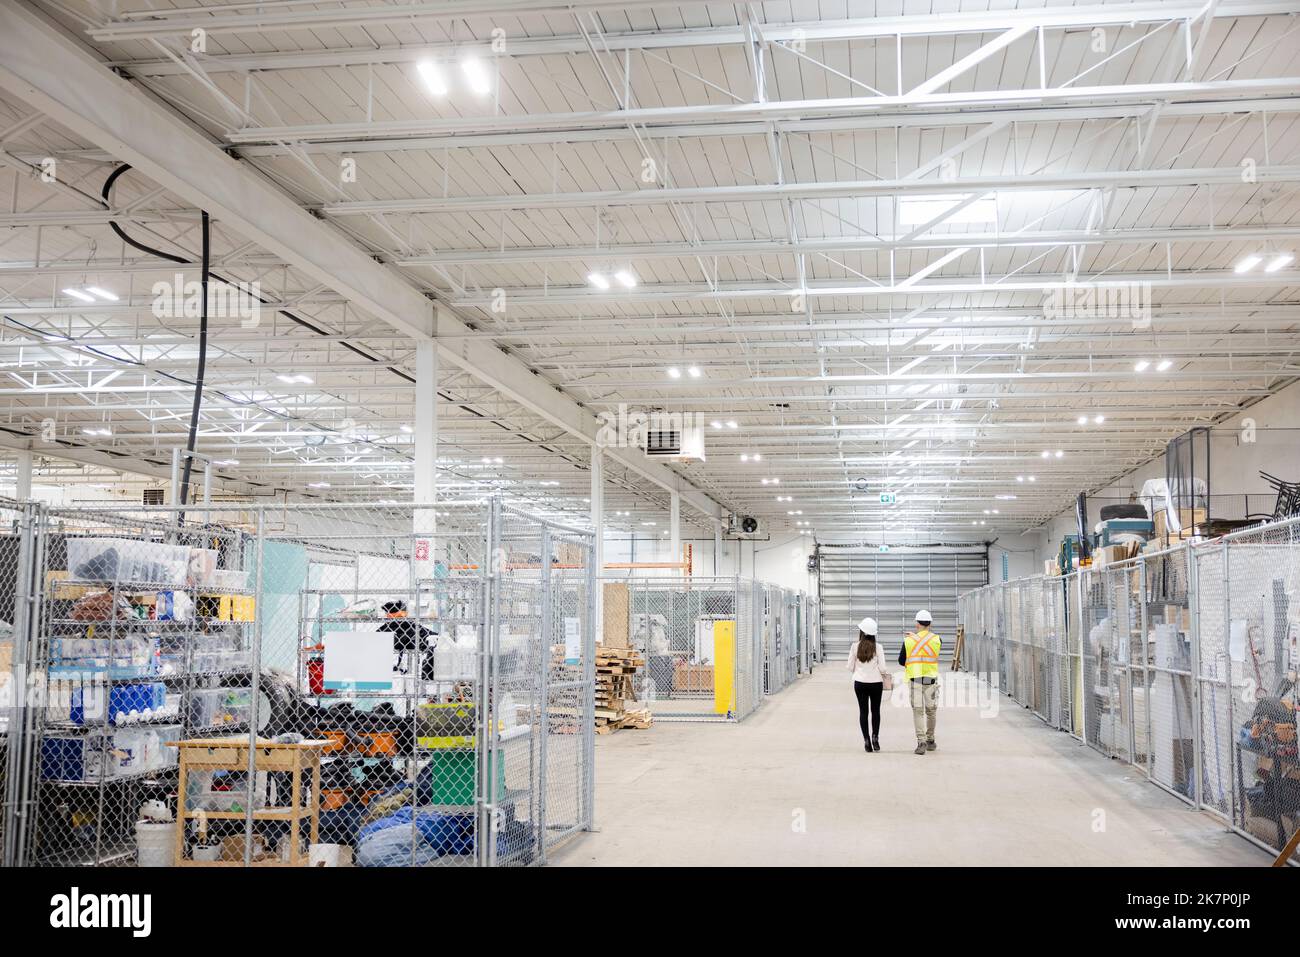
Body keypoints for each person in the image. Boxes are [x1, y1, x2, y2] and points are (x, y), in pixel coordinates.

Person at [898, 609, 941, 755]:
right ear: (930, 624)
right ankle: (930, 740)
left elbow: (901, 661)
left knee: (918, 712)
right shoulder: (937, 639)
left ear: (917, 624)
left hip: (915, 679)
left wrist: (914, 639)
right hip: (931, 680)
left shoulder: (909, 640)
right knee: (931, 711)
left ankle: (921, 742)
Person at [846, 616, 887, 752]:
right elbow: (883, 669)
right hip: (876, 683)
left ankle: (866, 740)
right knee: (875, 711)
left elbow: (850, 667)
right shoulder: (878, 647)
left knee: (863, 712)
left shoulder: (854, 647)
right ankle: (875, 737)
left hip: (860, 683)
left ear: (861, 632)